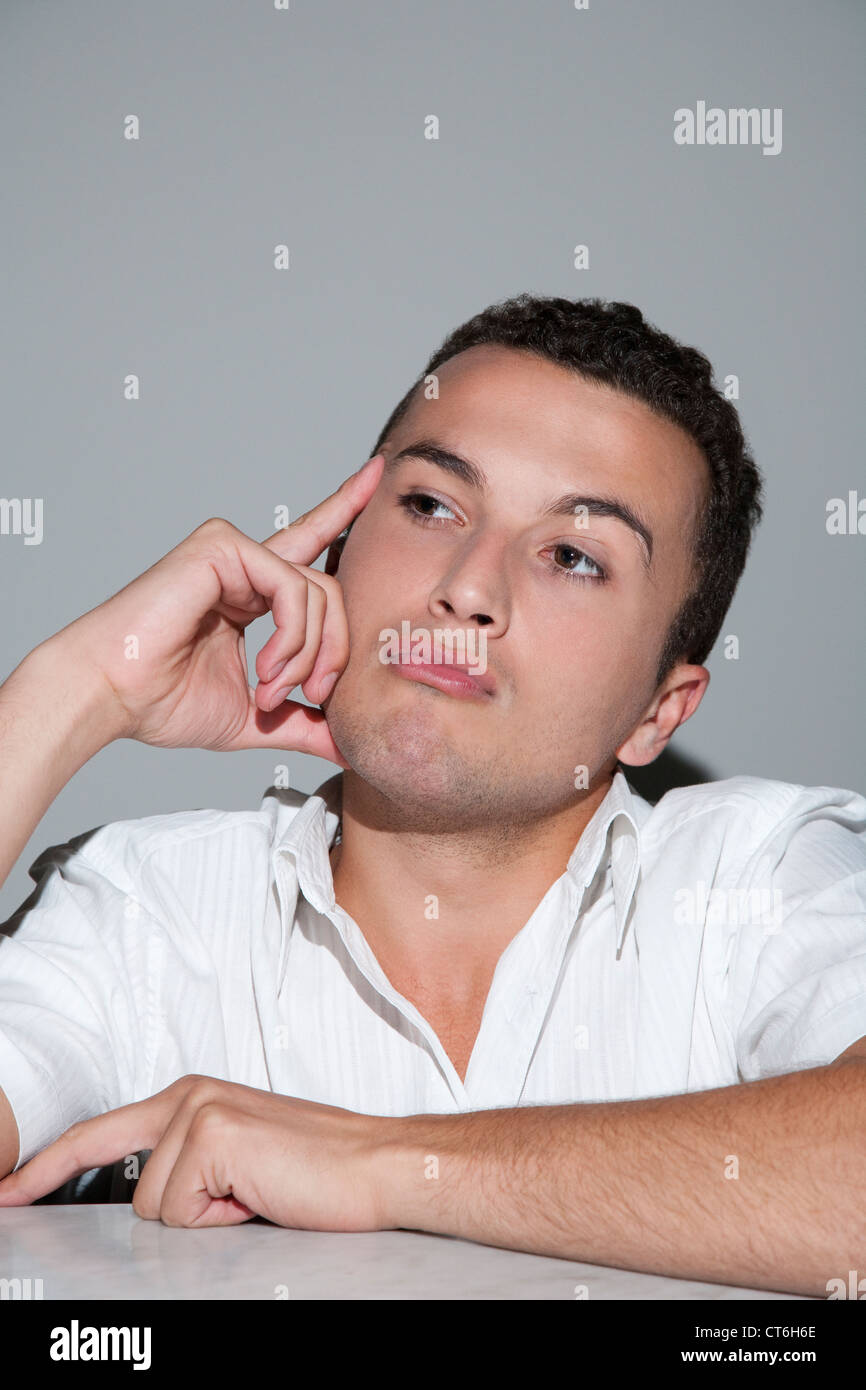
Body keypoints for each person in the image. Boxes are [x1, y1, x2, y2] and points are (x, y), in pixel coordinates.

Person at [0, 295, 863, 1296]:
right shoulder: (147, 907)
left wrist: (384, 1163)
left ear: (655, 715)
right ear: (333, 557)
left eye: (573, 556)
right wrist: (69, 691)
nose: (466, 586)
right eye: (430, 506)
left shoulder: (755, 875)